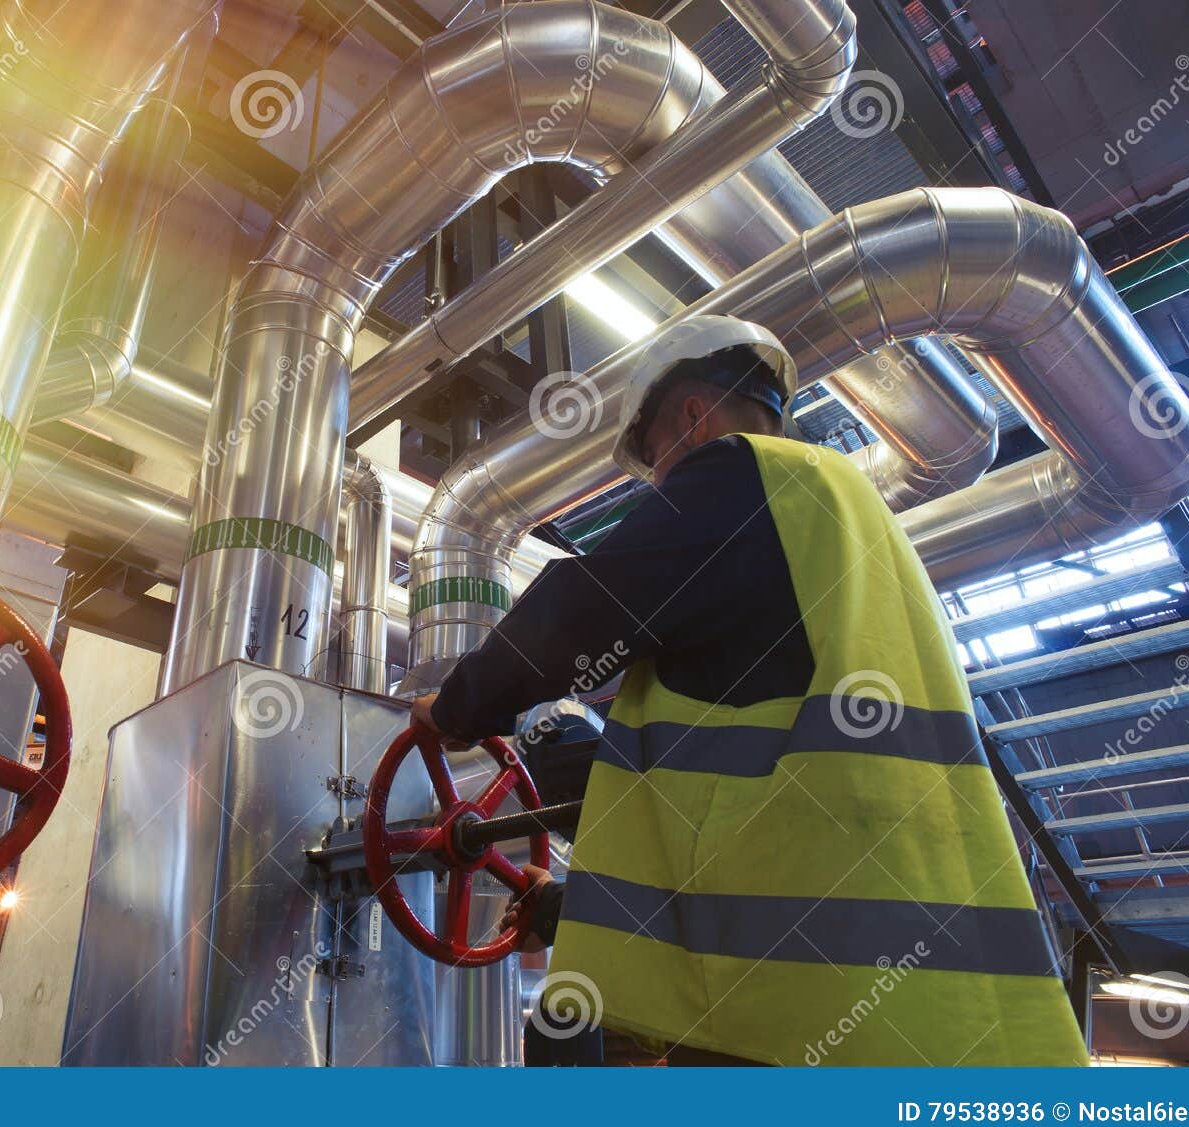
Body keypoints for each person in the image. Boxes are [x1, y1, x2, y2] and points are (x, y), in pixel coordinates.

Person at [410, 316, 1087, 1066]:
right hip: (923, 1010)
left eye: (655, 461)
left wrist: (455, 711)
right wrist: (564, 904)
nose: (661, 487)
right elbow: (756, 832)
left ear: (694, 419)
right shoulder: (844, 521)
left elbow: (587, 607)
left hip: (795, 1016)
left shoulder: (743, 475)